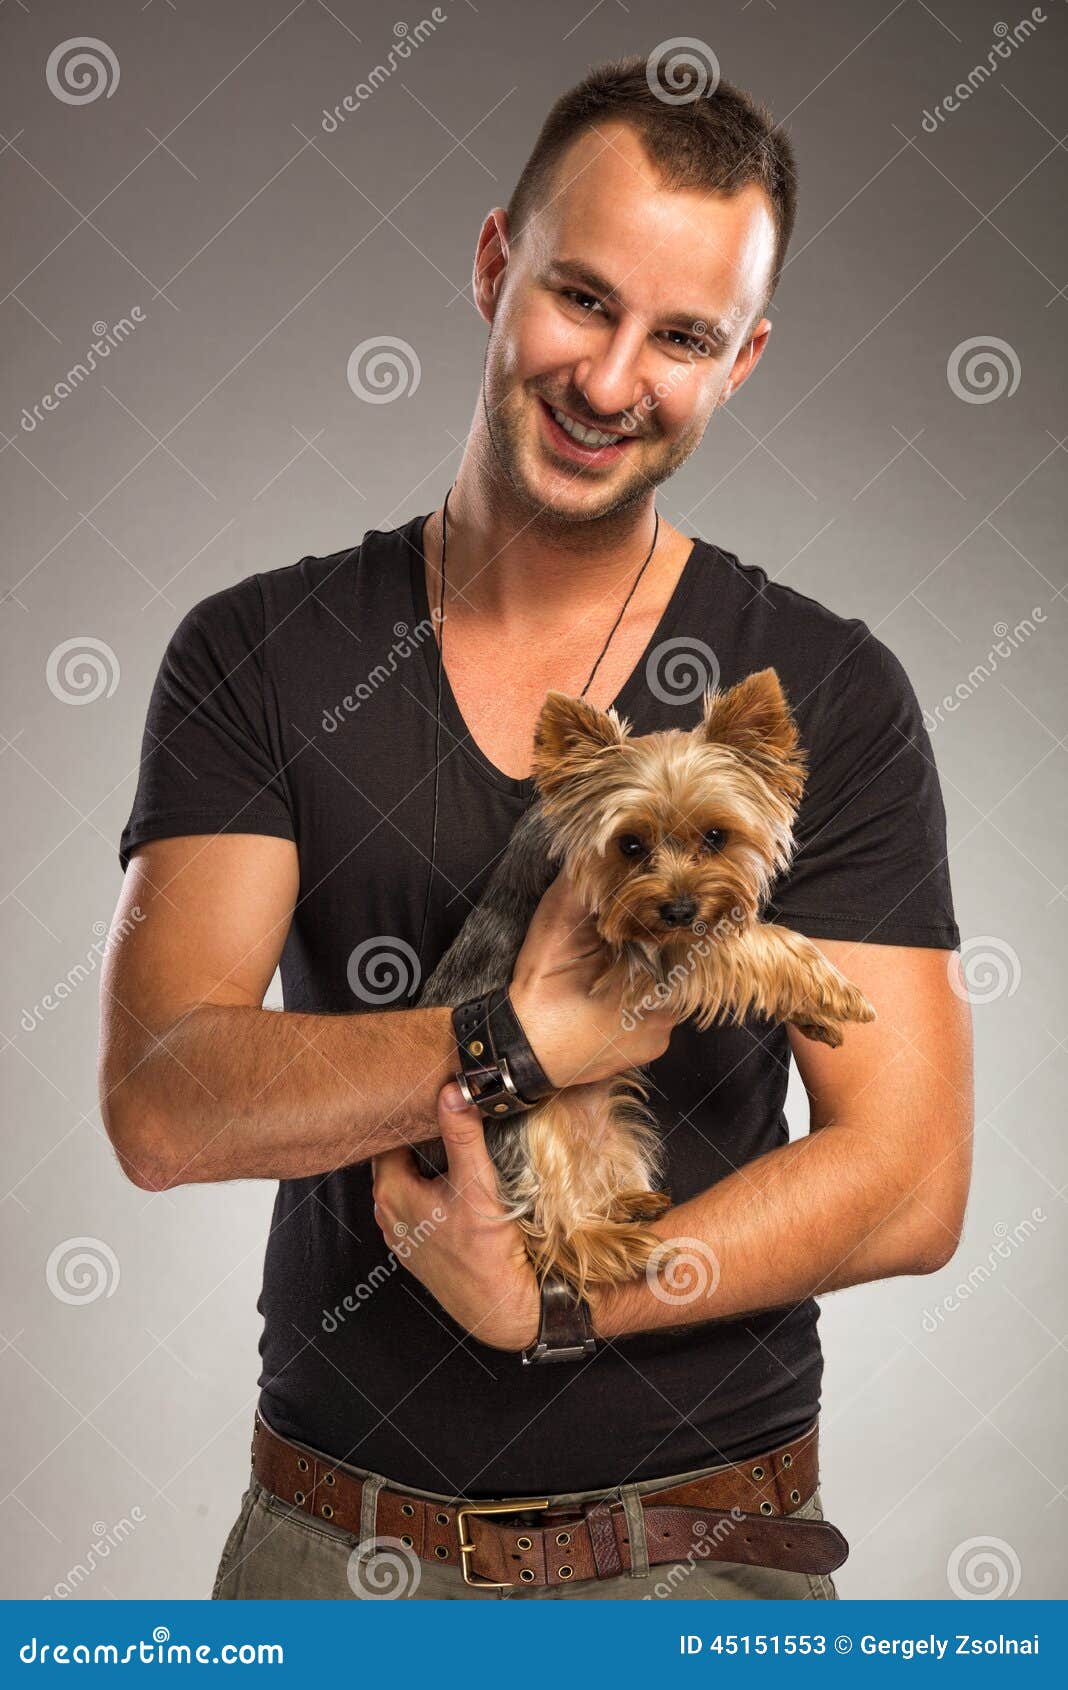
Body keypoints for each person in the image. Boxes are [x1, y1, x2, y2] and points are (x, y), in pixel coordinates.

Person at [99, 56, 972, 1601]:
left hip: (710, 1551)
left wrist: (562, 1308)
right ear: (497, 264)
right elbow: (166, 1102)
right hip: (338, 1538)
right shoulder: (262, 650)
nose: (615, 378)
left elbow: (907, 1179)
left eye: (683, 337)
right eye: (583, 300)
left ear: (740, 361)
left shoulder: (830, 687)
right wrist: (515, 1036)